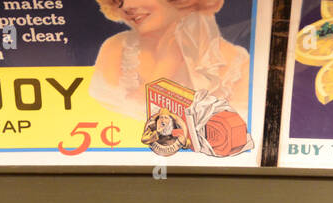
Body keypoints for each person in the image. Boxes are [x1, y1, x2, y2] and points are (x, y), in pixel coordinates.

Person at [89, 0, 251, 122]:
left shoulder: (238, 67)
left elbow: (226, 140)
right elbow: (116, 119)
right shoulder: (117, 49)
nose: (127, 6)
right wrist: (163, 69)